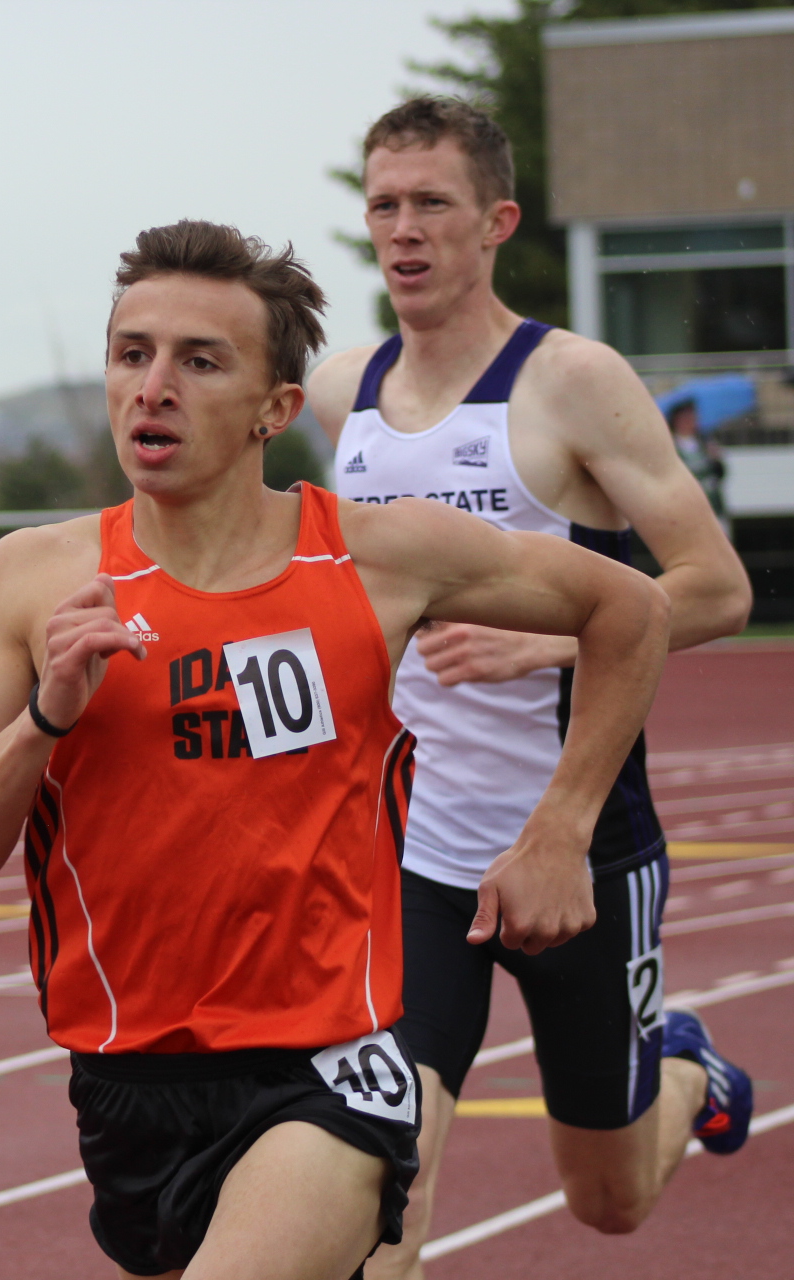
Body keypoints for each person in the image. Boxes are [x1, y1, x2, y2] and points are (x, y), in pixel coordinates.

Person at [0, 219, 670, 1280]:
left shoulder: (374, 553)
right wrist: (45, 719)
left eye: (199, 360)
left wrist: (562, 826)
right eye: (134, 353)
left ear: (276, 409)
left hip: (328, 1063)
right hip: (127, 1080)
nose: (154, 386)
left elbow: (630, 610)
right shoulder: (38, 579)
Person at [306, 97, 756, 1278]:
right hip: (411, 857)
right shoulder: (338, 391)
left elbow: (714, 588)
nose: (404, 230)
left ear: (496, 219)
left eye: (433, 205)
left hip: (581, 848)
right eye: (385, 206)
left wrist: (549, 643)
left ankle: (688, 1065)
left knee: (606, 1200)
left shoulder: (572, 381)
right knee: (382, 1185)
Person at [668, 399, 729, 533]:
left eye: (693, 417)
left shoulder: (704, 442)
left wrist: (716, 459)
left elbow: (720, 474)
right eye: (686, 417)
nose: (691, 421)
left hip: (711, 504)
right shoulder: (672, 445)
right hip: (687, 506)